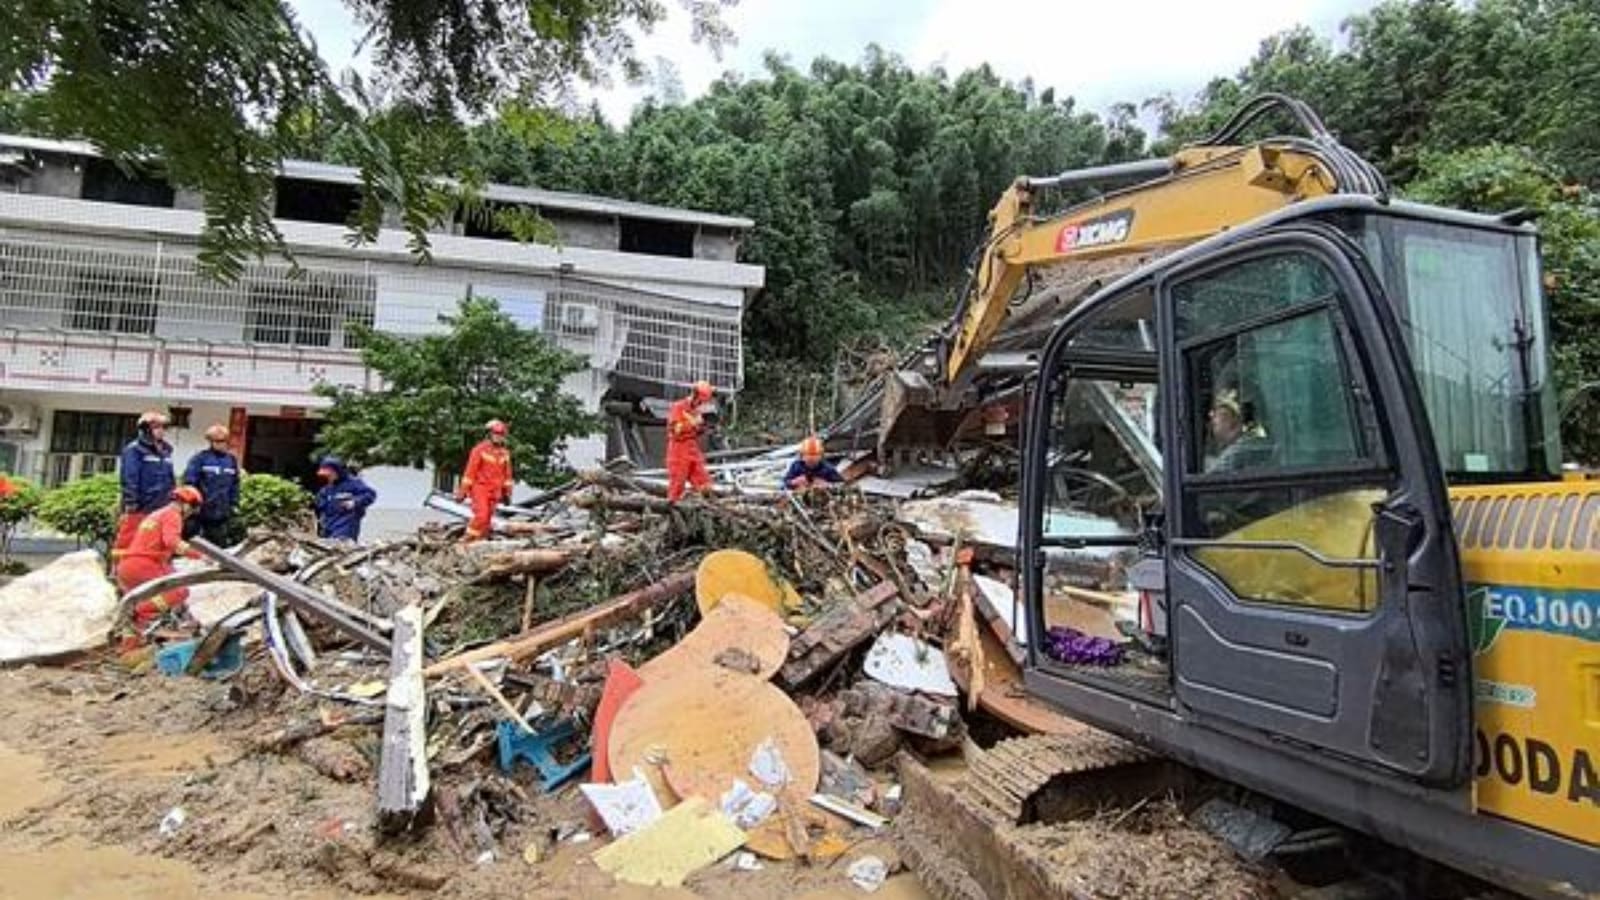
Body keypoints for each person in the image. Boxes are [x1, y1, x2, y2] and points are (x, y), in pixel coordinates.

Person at [115, 485, 204, 633]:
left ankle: (133, 636)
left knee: (169, 586)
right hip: (145, 564)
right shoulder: (173, 515)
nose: (191, 514)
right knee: (179, 591)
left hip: (129, 566)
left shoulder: (157, 514)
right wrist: (200, 555)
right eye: (193, 509)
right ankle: (139, 613)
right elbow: (172, 542)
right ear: (187, 504)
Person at [112, 411, 176, 562]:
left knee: (154, 543)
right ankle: (120, 570)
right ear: (146, 429)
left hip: (161, 506)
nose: (161, 431)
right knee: (129, 541)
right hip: (140, 506)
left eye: (163, 427)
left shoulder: (166, 451)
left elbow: (170, 478)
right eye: (157, 427)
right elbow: (129, 478)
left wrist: (172, 499)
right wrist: (131, 503)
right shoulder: (134, 450)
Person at [182, 424, 241, 545]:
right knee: (193, 545)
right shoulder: (200, 459)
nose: (220, 444)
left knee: (218, 546)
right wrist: (193, 505)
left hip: (221, 513)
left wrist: (234, 504)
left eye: (223, 441)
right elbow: (189, 483)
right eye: (216, 441)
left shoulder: (231, 460)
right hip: (200, 512)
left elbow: (235, 484)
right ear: (210, 441)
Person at [457, 419, 515, 542]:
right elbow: (470, 472)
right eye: (496, 434)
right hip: (481, 489)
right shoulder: (479, 449)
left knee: (487, 520)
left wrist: (507, 493)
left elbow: (508, 476)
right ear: (490, 434)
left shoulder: (505, 453)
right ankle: (465, 539)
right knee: (481, 516)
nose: (498, 437)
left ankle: (478, 542)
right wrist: (462, 491)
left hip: (495, 491)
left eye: (501, 434)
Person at [666, 380, 715, 502]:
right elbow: (675, 430)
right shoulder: (679, 407)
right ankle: (672, 507)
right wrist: (692, 424)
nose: (701, 404)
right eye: (701, 401)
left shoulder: (695, 411)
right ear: (695, 396)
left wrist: (701, 427)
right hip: (679, 449)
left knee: (704, 482)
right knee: (677, 484)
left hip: (692, 447)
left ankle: (705, 506)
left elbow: (697, 430)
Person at [1204, 389, 1270, 473]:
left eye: (1218, 411)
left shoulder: (1246, 447)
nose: (1211, 415)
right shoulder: (1237, 449)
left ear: (1235, 421)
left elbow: (1212, 474)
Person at [313, 456, 376, 542]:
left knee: (339, 544)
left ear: (337, 471)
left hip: (346, 526)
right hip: (328, 526)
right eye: (326, 475)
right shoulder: (328, 488)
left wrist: (354, 502)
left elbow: (370, 494)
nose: (328, 477)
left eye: (330, 474)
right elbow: (320, 502)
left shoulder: (353, 483)